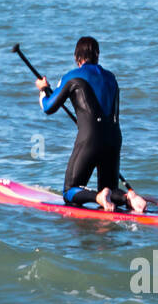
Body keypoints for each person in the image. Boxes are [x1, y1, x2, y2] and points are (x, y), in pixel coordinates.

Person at [35, 36, 147, 213]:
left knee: (69, 191)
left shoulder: (72, 76)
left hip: (91, 139)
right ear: (98, 56)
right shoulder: (111, 78)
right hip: (114, 139)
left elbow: (48, 107)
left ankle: (98, 197)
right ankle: (128, 197)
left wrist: (43, 89)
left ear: (77, 58)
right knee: (109, 188)